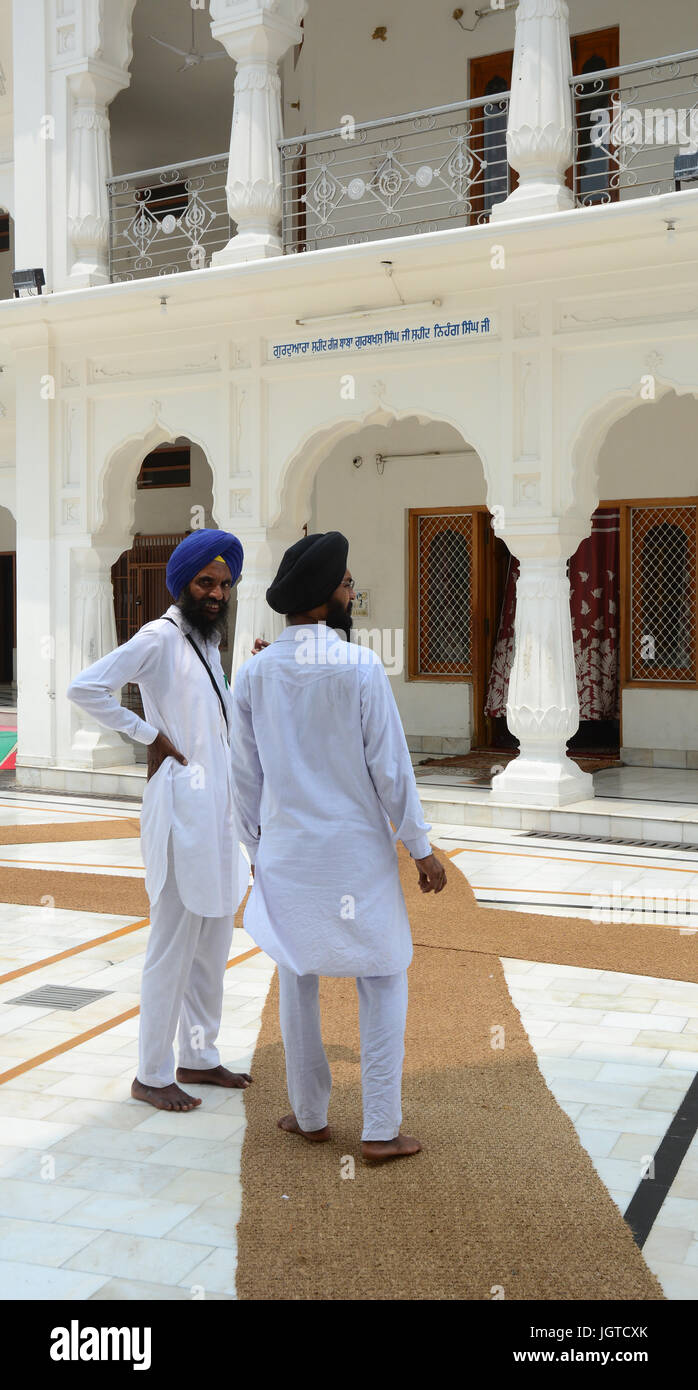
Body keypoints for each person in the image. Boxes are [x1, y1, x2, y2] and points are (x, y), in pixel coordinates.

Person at [231, 531, 446, 1163]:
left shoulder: (256, 672)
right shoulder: (360, 667)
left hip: (287, 855)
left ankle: (311, 1115)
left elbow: (243, 778)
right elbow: (391, 769)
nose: (353, 591)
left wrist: (256, 849)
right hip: (354, 856)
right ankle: (380, 1129)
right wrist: (420, 846)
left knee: (297, 974)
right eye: (348, 583)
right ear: (328, 597)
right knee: (381, 976)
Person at [68, 529, 253, 1113]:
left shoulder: (208, 643)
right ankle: (151, 1073)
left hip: (218, 815)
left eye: (224, 584)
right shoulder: (159, 637)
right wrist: (147, 735)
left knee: (211, 944)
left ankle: (197, 1055)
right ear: (182, 585)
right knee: (172, 945)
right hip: (179, 815)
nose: (217, 593)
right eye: (206, 582)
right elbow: (86, 686)